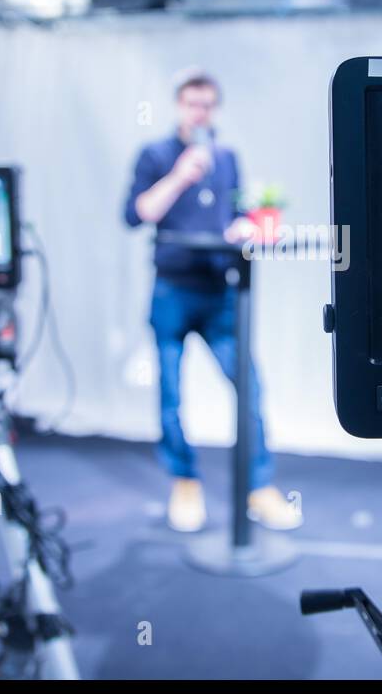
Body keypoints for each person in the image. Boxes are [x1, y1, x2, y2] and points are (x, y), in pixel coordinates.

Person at [123, 70, 301, 533]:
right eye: (191, 104)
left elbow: (235, 214)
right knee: (170, 393)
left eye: (206, 105)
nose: (199, 112)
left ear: (214, 109)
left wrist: (247, 224)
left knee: (250, 387)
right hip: (172, 291)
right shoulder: (156, 155)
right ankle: (184, 482)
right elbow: (137, 214)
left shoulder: (227, 158)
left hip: (220, 291)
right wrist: (180, 176)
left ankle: (258, 486)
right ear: (179, 107)